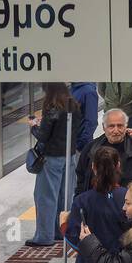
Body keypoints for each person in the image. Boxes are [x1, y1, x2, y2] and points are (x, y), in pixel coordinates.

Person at [26, 83, 81, 247]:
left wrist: (34, 126)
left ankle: (44, 236)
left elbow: (43, 136)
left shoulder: (52, 107)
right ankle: (59, 230)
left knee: (45, 196)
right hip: (69, 156)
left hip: (52, 158)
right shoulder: (74, 105)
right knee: (64, 196)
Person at [78, 108, 132, 192]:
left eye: (120, 126)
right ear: (104, 127)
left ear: (126, 126)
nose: (116, 131)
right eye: (111, 126)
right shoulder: (90, 149)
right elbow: (81, 178)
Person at [71, 81, 103, 147]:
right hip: (71, 142)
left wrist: (82, 142)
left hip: (80, 144)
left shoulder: (88, 92)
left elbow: (91, 121)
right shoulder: (71, 88)